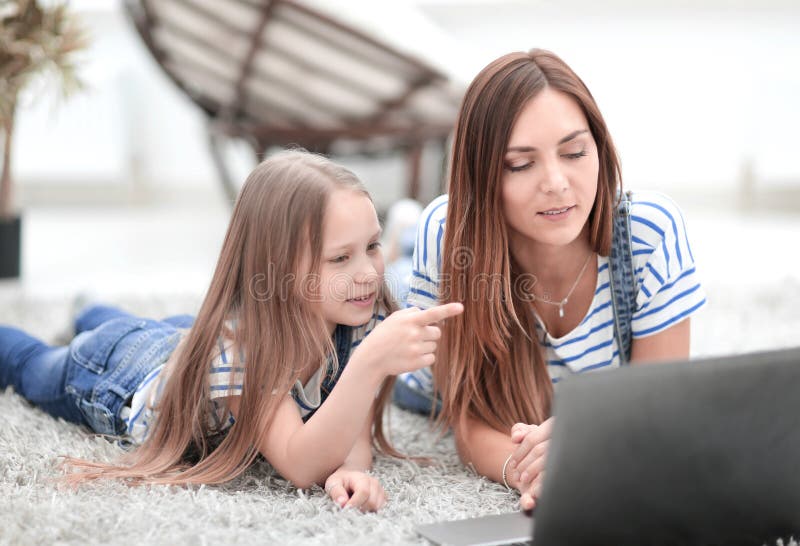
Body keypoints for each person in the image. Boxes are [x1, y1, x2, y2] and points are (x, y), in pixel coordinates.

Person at [0, 150, 462, 512]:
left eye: (374, 246)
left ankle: (91, 308)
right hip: (122, 373)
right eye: (341, 258)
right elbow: (299, 462)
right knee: (33, 364)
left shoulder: (357, 315)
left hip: (185, 346)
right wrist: (371, 362)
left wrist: (351, 473)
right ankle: (91, 319)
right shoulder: (241, 351)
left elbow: (353, 437)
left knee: (165, 330)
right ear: (277, 269)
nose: (368, 273)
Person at [394, 49, 707, 510]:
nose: (557, 183)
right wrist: (532, 474)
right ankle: (402, 237)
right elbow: (468, 423)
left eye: (575, 152)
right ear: (481, 177)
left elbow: (656, 409)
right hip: (425, 381)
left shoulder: (649, 231)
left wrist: (586, 442)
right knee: (392, 291)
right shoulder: (446, 235)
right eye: (521, 164)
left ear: (599, 147)